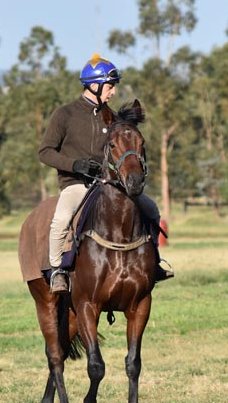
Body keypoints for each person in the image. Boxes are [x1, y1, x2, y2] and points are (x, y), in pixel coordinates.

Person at [39, 53, 173, 294]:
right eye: (110, 86)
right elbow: (45, 152)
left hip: (111, 185)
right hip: (77, 184)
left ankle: (156, 264)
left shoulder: (111, 117)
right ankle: (57, 270)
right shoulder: (64, 114)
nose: (113, 92)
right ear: (94, 85)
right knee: (61, 220)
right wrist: (75, 165)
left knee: (151, 209)